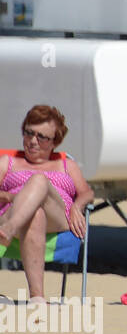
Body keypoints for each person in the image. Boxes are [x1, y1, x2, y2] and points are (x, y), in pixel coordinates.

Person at [0, 105, 94, 303]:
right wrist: (9, 197)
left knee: (39, 181)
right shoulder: (8, 162)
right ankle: (37, 298)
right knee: (36, 214)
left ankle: (9, 228)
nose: (33, 141)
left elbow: (87, 193)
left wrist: (77, 206)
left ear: (55, 142)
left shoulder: (66, 165)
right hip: (16, 211)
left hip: (57, 216)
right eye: (29, 133)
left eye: (42, 137)